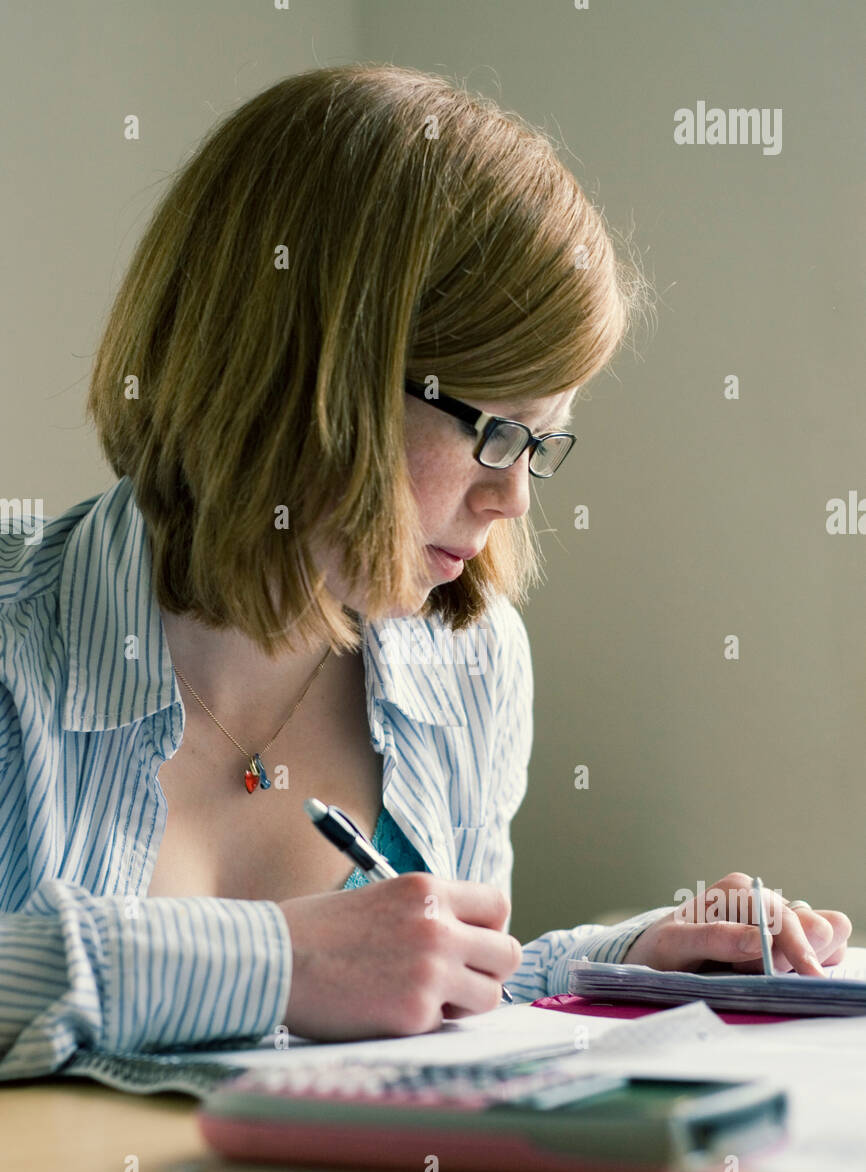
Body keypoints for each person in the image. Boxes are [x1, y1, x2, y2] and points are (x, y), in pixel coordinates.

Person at [0, 64, 850, 1083]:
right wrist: (268, 965)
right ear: (306, 367)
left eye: (539, 445)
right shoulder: (20, 646)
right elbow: (305, 983)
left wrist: (620, 962)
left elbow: (414, 997)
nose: (513, 500)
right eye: (493, 430)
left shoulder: (465, 660)